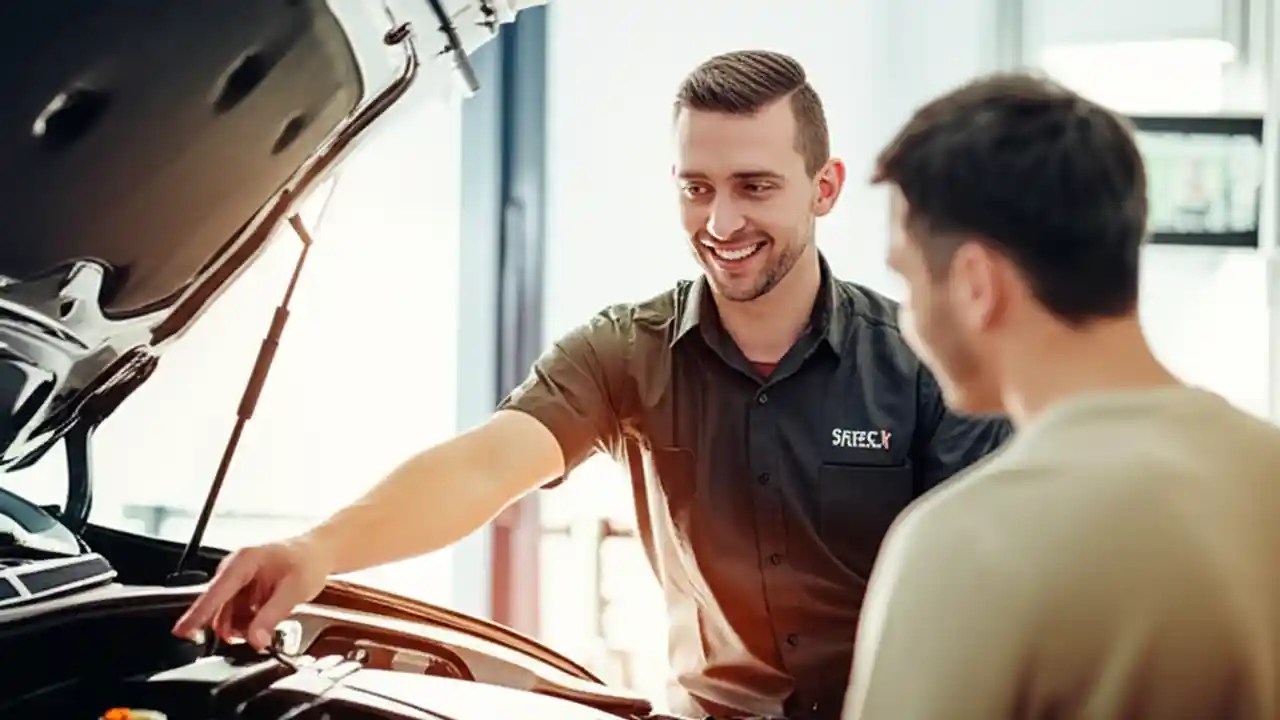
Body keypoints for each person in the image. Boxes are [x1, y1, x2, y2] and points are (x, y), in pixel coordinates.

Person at [171, 50, 1011, 719]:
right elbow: (483, 466)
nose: (721, 223)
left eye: (755, 186)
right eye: (697, 189)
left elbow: (994, 581)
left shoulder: (925, 362)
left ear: (824, 188)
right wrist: (318, 550)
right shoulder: (625, 350)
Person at [841, 72, 1280, 720]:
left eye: (907, 280)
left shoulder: (966, 543)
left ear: (976, 285)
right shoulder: (1267, 468)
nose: (906, 317)